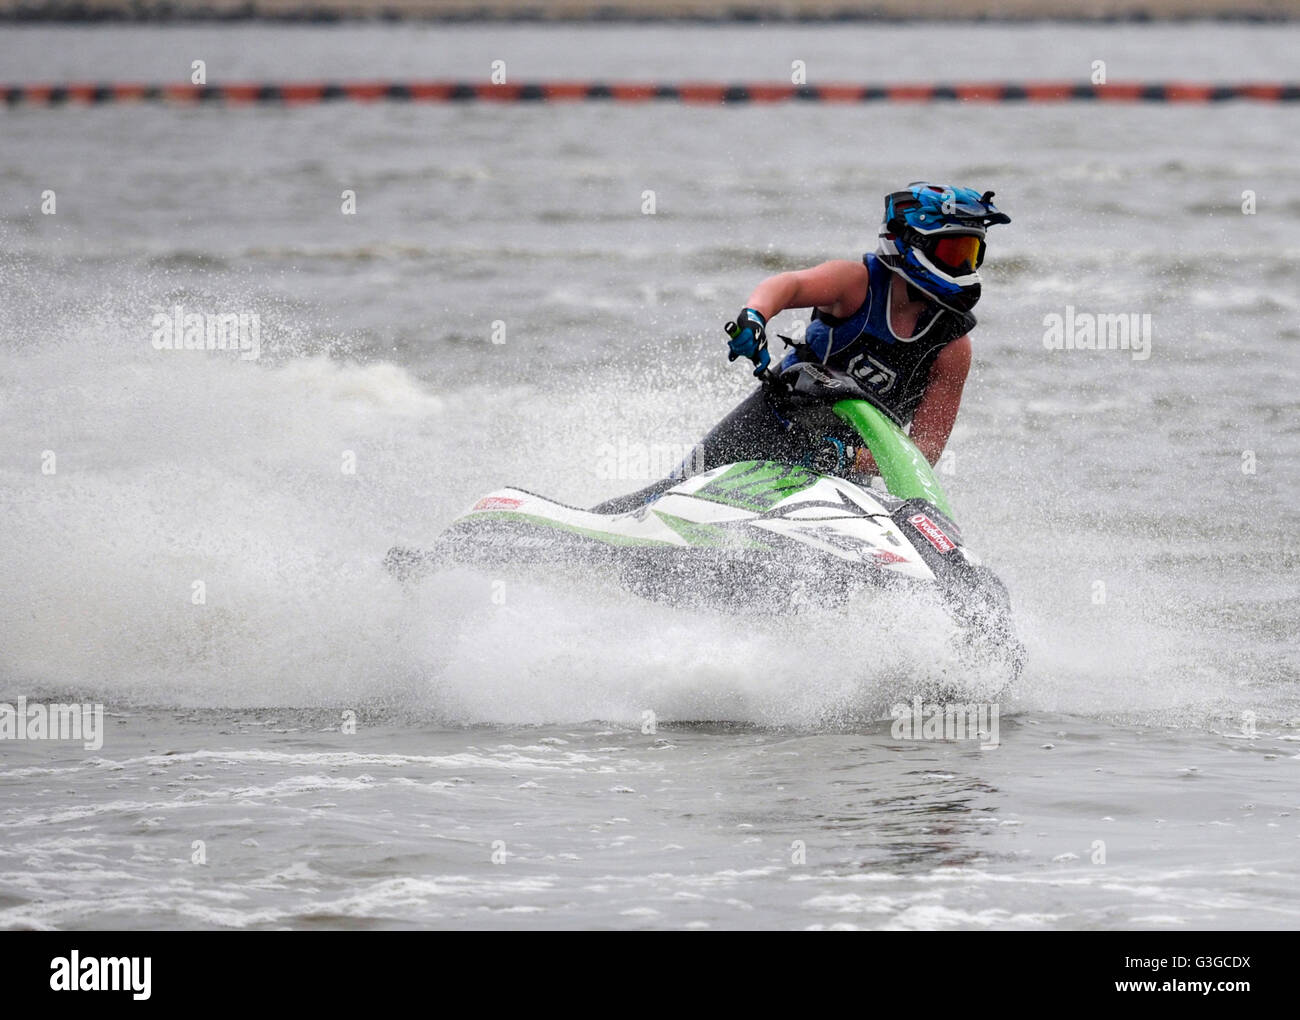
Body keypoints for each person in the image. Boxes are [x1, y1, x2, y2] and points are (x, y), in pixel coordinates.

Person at [593, 182, 1010, 514]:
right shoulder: (855, 284)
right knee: (672, 494)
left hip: (846, 461)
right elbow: (787, 285)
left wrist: (845, 458)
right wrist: (755, 316)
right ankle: (598, 523)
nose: (964, 268)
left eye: (972, 254)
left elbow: (924, 453)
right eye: (953, 251)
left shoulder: (952, 348)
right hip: (773, 422)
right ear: (908, 240)